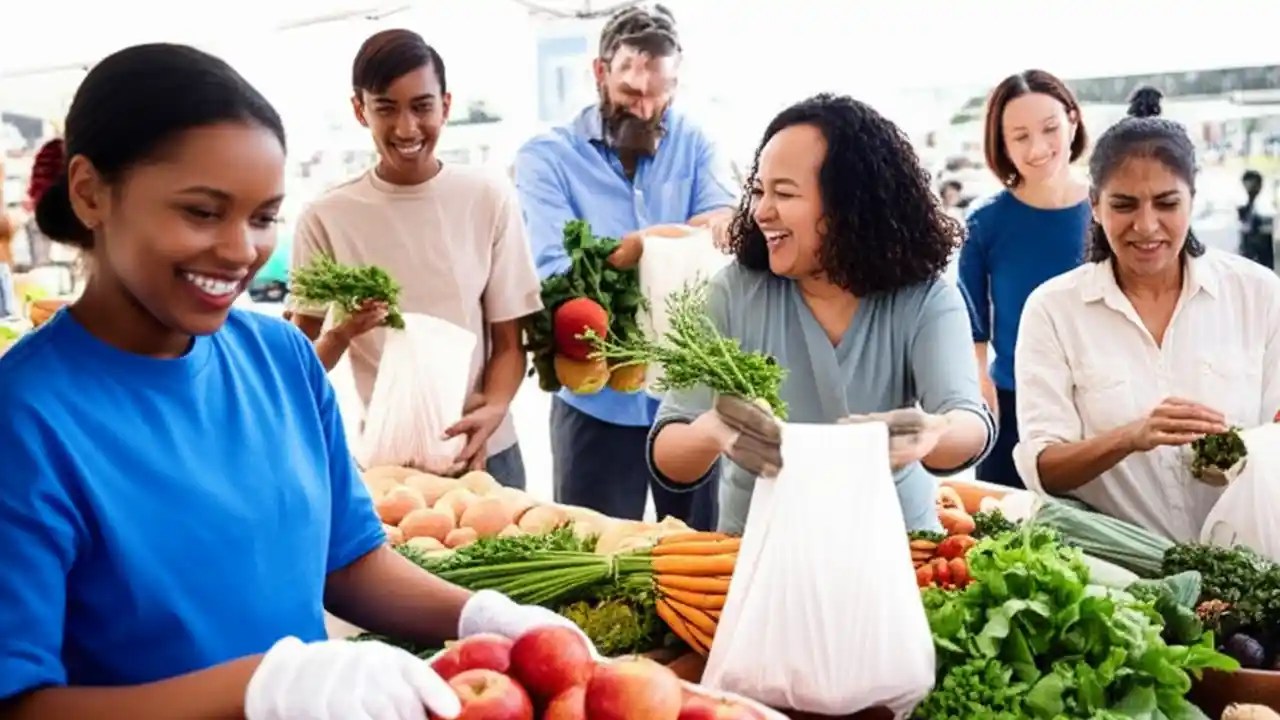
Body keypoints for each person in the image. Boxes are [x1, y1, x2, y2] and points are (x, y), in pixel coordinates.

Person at [0, 43, 578, 720]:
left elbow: (349, 562)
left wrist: (483, 616)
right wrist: (254, 690)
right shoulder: (26, 419)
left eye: (264, 216)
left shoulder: (280, 359)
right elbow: (21, 704)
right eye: (203, 212)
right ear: (91, 192)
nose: (242, 249)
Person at [646, 94, 996, 534]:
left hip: (894, 547)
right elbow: (670, 448)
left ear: (849, 206)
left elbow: (968, 422)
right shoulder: (733, 292)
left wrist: (923, 433)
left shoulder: (925, 299)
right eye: (758, 191)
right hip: (755, 552)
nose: (761, 211)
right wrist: (714, 431)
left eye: (784, 193)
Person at [1013, 87, 1280, 542]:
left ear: (1192, 200)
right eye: (1124, 205)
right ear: (1094, 206)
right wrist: (1131, 437)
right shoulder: (1054, 310)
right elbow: (1044, 469)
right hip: (1122, 583)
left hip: (1254, 559)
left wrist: (1243, 453)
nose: (1146, 225)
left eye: (1166, 203)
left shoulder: (1258, 294)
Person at [513, 4, 736, 529]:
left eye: (661, 92)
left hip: (689, 399)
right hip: (596, 403)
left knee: (699, 560)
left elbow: (726, 228)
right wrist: (672, 242)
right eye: (631, 92)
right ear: (600, 73)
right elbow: (559, 271)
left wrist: (641, 245)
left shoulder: (695, 142)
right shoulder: (546, 159)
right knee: (595, 565)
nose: (646, 106)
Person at [290, 30, 542, 489]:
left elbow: (509, 343)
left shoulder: (487, 198)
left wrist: (494, 409)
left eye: (421, 106)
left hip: (487, 454)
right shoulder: (326, 217)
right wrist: (343, 332)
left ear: (446, 105)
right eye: (386, 107)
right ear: (359, 109)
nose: (406, 128)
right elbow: (295, 362)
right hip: (390, 467)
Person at [957, 69, 1092, 488]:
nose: (1038, 148)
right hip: (1015, 404)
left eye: (1050, 128)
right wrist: (981, 387)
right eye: (1019, 136)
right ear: (1002, 145)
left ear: (1072, 119)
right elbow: (971, 320)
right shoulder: (985, 222)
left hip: (1100, 401)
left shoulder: (1112, 209)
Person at [1237, 169, 1274, 269]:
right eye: (1246, 184)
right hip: (1249, 257)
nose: (1249, 187)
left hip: (1261, 257)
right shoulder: (1244, 207)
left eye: (1253, 184)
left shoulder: (1266, 207)